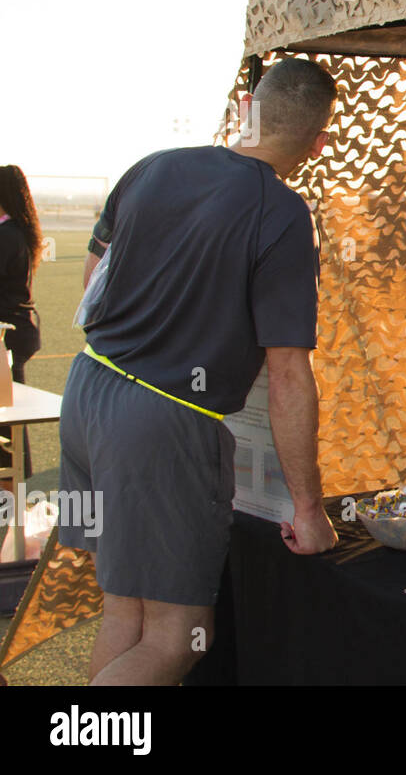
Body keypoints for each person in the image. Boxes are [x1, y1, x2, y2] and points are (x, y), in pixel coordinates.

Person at [57, 58, 341, 685]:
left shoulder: (153, 167)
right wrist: (309, 509)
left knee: (126, 615)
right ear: (320, 142)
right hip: (160, 427)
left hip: (86, 390)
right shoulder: (284, 214)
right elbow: (289, 374)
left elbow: (89, 285)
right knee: (179, 636)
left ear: (247, 106)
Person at [0, 165, 42, 483]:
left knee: (8, 420)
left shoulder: (8, 235)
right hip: (17, 330)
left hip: (9, 335)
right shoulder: (13, 231)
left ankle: (13, 494)